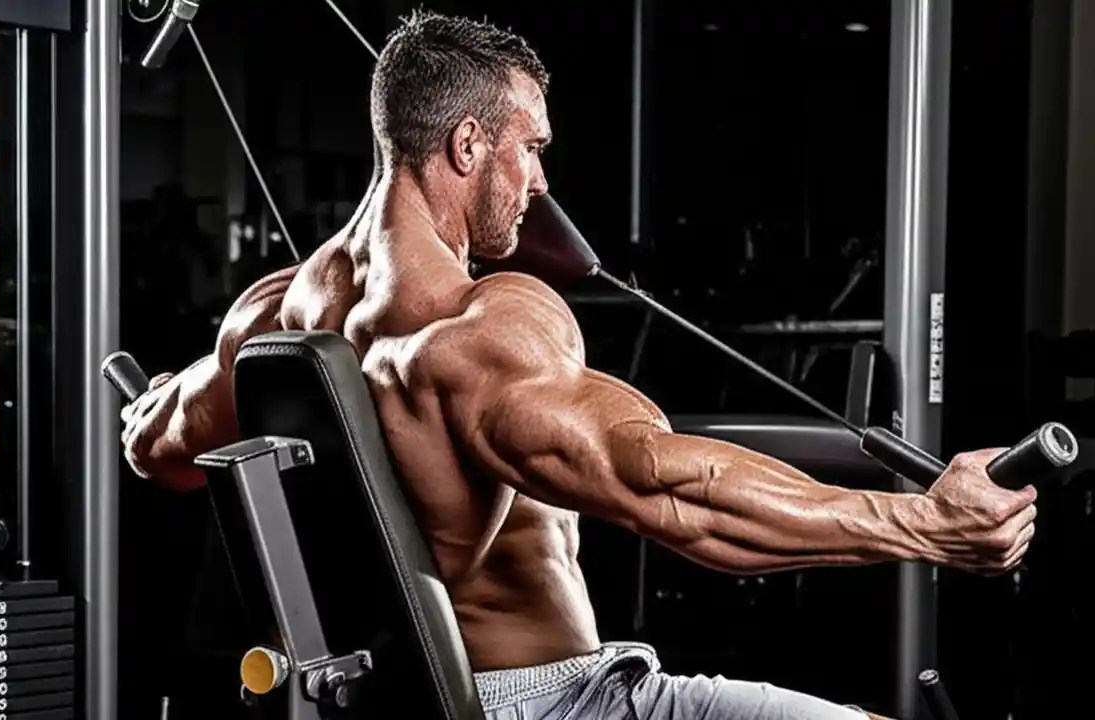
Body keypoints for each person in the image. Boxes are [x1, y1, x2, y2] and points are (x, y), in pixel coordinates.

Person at [119, 11, 1037, 720]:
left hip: (389, 700)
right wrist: (926, 523)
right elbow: (669, 492)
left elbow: (155, 445)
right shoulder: (483, 332)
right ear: (468, 146)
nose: (543, 181)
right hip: (554, 699)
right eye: (533, 148)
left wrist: (161, 395)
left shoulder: (272, 317)